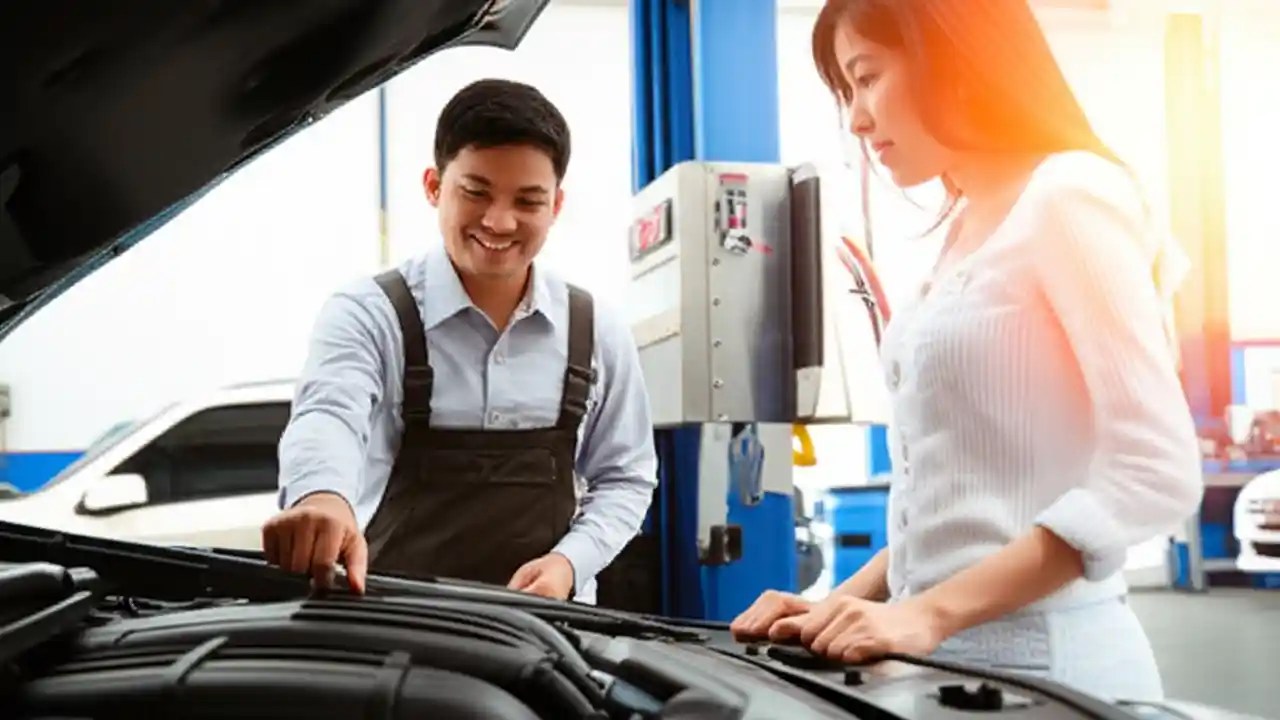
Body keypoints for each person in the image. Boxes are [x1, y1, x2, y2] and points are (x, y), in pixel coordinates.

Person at [730, 0, 1202, 703]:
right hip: (949, 664)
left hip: (1050, 669)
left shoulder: (1070, 196)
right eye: (847, 92)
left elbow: (1155, 471)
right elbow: (964, 515)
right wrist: (841, 603)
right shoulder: (965, 228)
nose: (857, 120)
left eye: (867, 78)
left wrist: (926, 614)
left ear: (953, 60)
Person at [261, 78, 658, 605]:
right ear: (433, 186)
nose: (499, 221)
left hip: (549, 631)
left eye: (528, 201)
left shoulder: (597, 330)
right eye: (476, 193)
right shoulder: (368, 313)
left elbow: (626, 478)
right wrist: (323, 499)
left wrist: (569, 564)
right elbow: (328, 415)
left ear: (556, 205)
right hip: (393, 622)